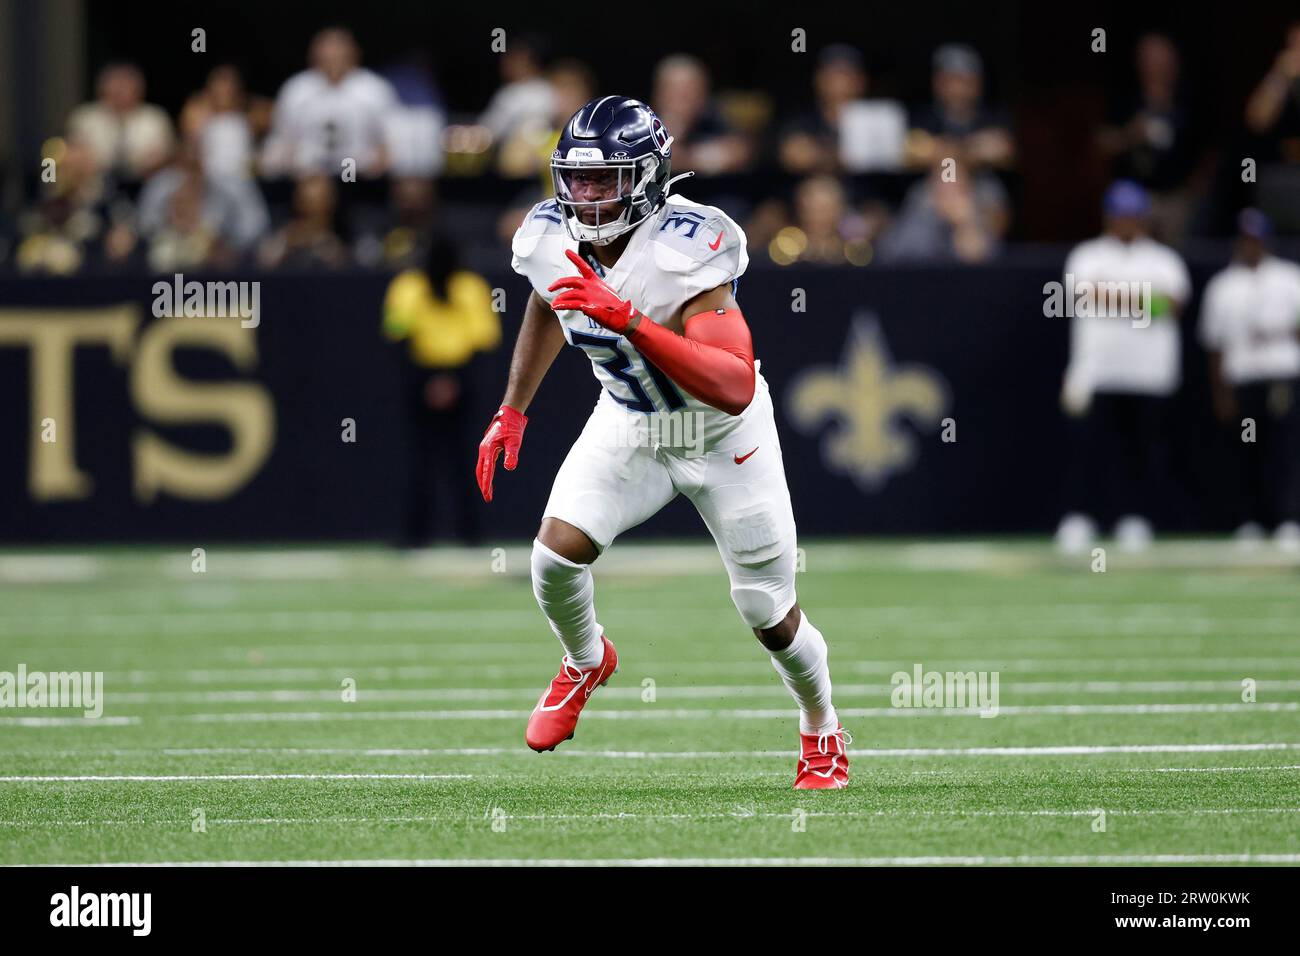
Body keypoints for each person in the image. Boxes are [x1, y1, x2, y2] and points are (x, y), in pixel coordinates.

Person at [475, 97, 849, 789]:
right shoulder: (546, 235)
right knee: (553, 560)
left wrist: (633, 322)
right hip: (631, 420)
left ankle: (821, 727)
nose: (586, 197)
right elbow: (545, 298)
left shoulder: (685, 247)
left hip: (721, 435)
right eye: (577, 180)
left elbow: (733, 383)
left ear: (646, 178)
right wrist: (514, 409)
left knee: (766, 609)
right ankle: (587, 661)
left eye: (604, 180)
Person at [1056, 180, 1191, 553]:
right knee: (1089, 451)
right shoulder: (1087, 256)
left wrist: (1114, 296)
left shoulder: (1163, 260)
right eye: (1121, 216)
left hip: (1149, 375)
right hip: (1096, 372)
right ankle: (1079, 519)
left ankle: (1135, 519)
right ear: (1109, 217)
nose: (1127, 222)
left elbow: (1173, 307)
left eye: (1133, 216)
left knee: (1143, 451)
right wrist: (1145, 301)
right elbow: (1083, 295)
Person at [384, 236, 501, 545]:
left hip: (462, 383)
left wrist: (452, 382)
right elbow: (397, 338)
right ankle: (414, 536)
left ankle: (470, 534)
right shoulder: (407, 287)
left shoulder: (470, 288)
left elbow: (484, 343)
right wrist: (428, 382)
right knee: (419, 460)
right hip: (419, 381)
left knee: (464, 459)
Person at [1199, 209, 1300, 548]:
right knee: (1246, 453)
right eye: (1245, 239)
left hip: (1282, 378)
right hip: (1242, 381)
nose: (1250, 245)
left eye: (1255, 239)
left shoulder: (1290, 278)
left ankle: (1287, 520)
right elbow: (1215, 346)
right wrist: (1221, 393)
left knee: (1285, 453)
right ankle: (1249, 521)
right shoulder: (1223, 286)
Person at [66, 63, 175, 182]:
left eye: (126, 84)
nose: (121, 89)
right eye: (116, 84)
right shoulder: (85, 117)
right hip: (95, 183)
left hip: (145, 183)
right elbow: (75, 154)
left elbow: (165, 155)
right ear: (102, 88)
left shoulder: (155, 117)